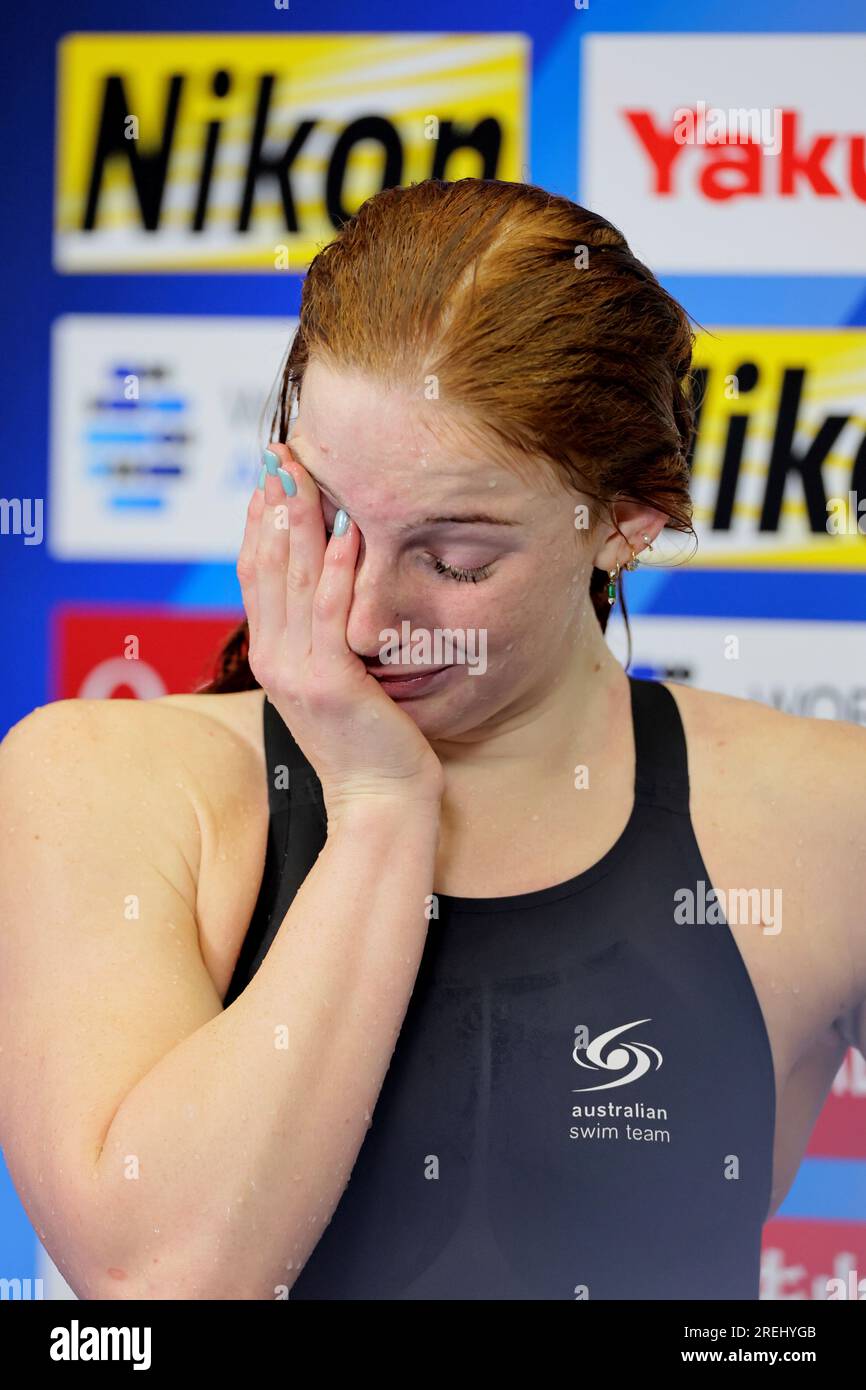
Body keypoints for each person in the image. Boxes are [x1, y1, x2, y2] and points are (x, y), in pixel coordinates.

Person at [0, 178, 863, 1302]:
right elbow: (166, 1284)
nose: (361, 617)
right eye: (330, 517)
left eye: (455, 558)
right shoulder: (104, 786)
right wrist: (375, 806)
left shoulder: (821, 821)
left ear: (627, 521)